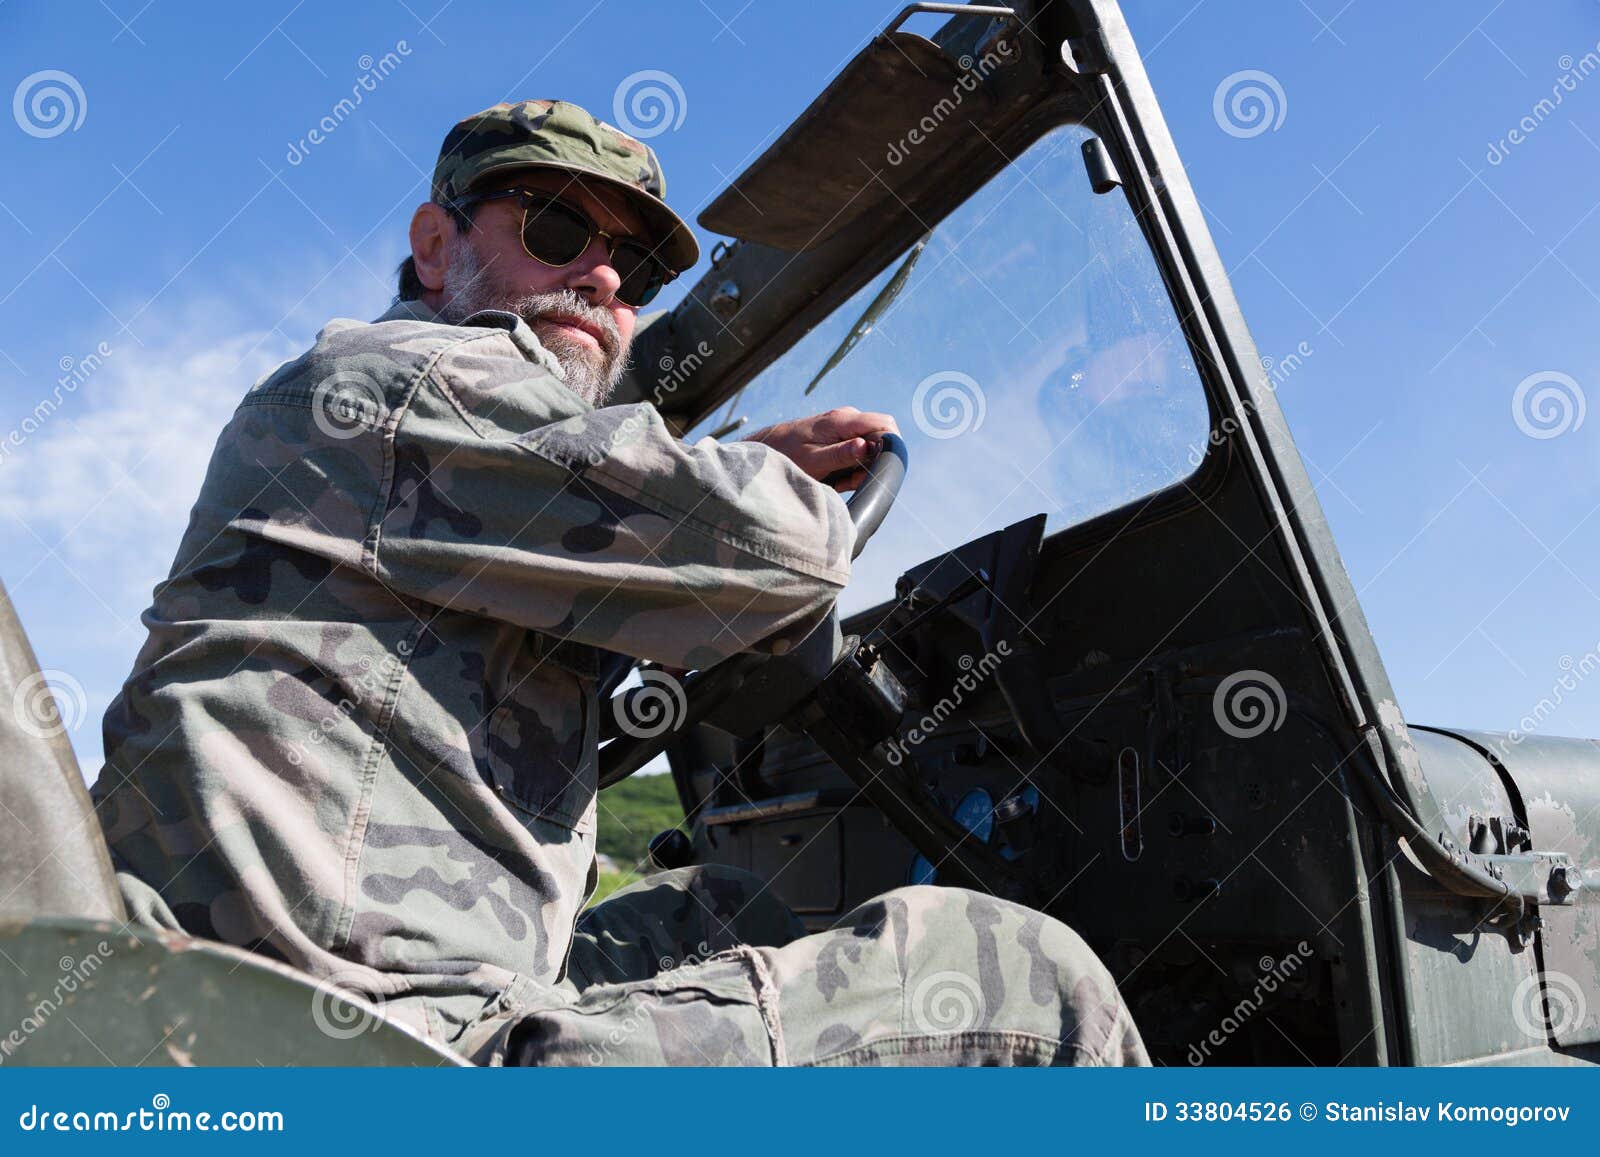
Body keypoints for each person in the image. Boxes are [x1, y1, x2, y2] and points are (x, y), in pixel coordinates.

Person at [91, 99, 1147, 1066]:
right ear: (433, 242)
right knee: (1042, 981)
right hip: (357, 1033)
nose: (602, 278)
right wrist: (752, 484)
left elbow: (617, 508)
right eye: (555, 229)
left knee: (729, 909)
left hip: (283, 986)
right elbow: (787, 555)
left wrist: (715, 479)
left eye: (635, 270)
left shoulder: (438, 450)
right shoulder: (407, 376)